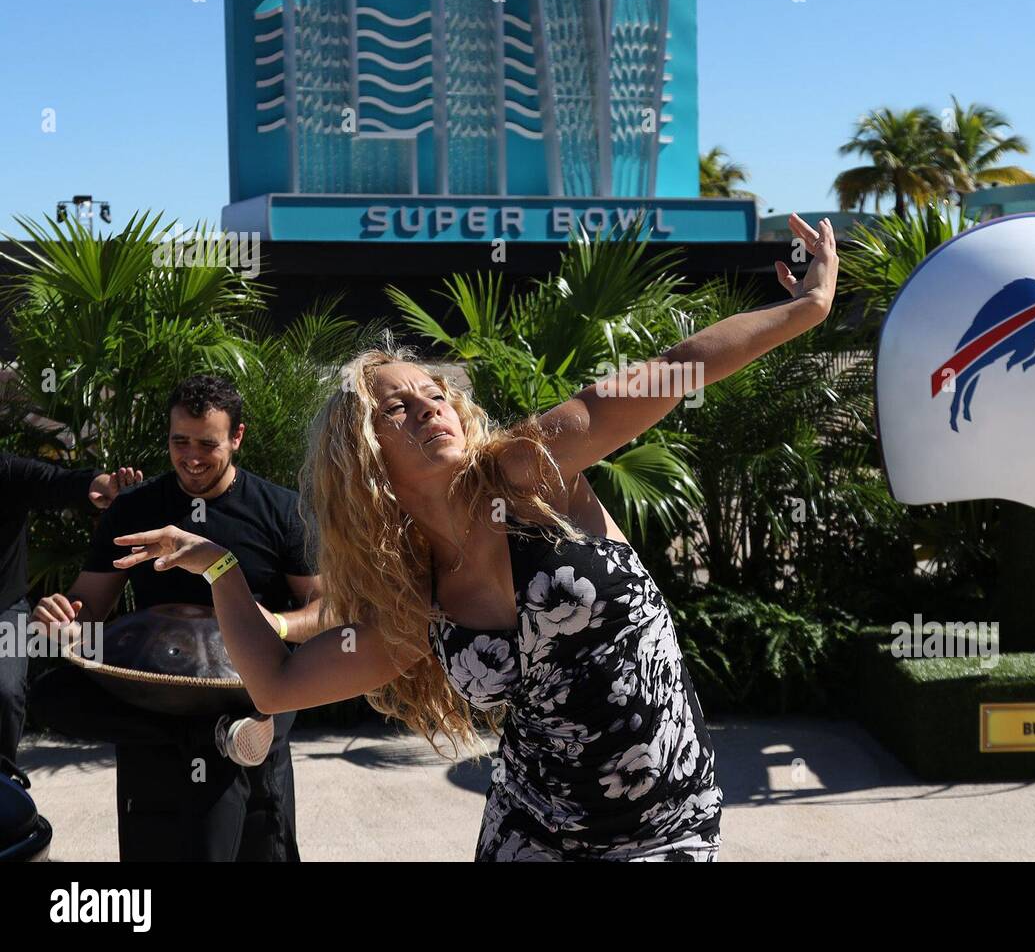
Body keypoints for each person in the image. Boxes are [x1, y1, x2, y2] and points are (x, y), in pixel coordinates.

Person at [110, 215, 839, 861]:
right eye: (399, 405)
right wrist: (221, 565)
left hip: (665, 826)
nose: (431, 406)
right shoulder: (418, 606)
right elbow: (274, 682)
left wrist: (806, 308)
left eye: (434, 391)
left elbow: (673, 372)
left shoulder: (529, 470)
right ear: (367, 459)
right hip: (531, 828)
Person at [29, 375, 326, 861]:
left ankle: (224, 736)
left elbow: (327, 610)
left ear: (237, 437)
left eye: (207, 444)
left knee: (247, 840)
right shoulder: (134, 509)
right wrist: (61, 618)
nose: (191, 457)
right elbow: (86, 609)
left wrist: (278, 625)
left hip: (244, 695)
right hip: (156, 698)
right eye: (179, 441)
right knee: (51, 696)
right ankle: (202, 736)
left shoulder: (281, 510)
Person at [0, 454, 141, 767]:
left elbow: (53, 480)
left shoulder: (5, 470)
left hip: (4, 609)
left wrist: (99, 484)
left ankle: (5, 788)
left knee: (4, 691)